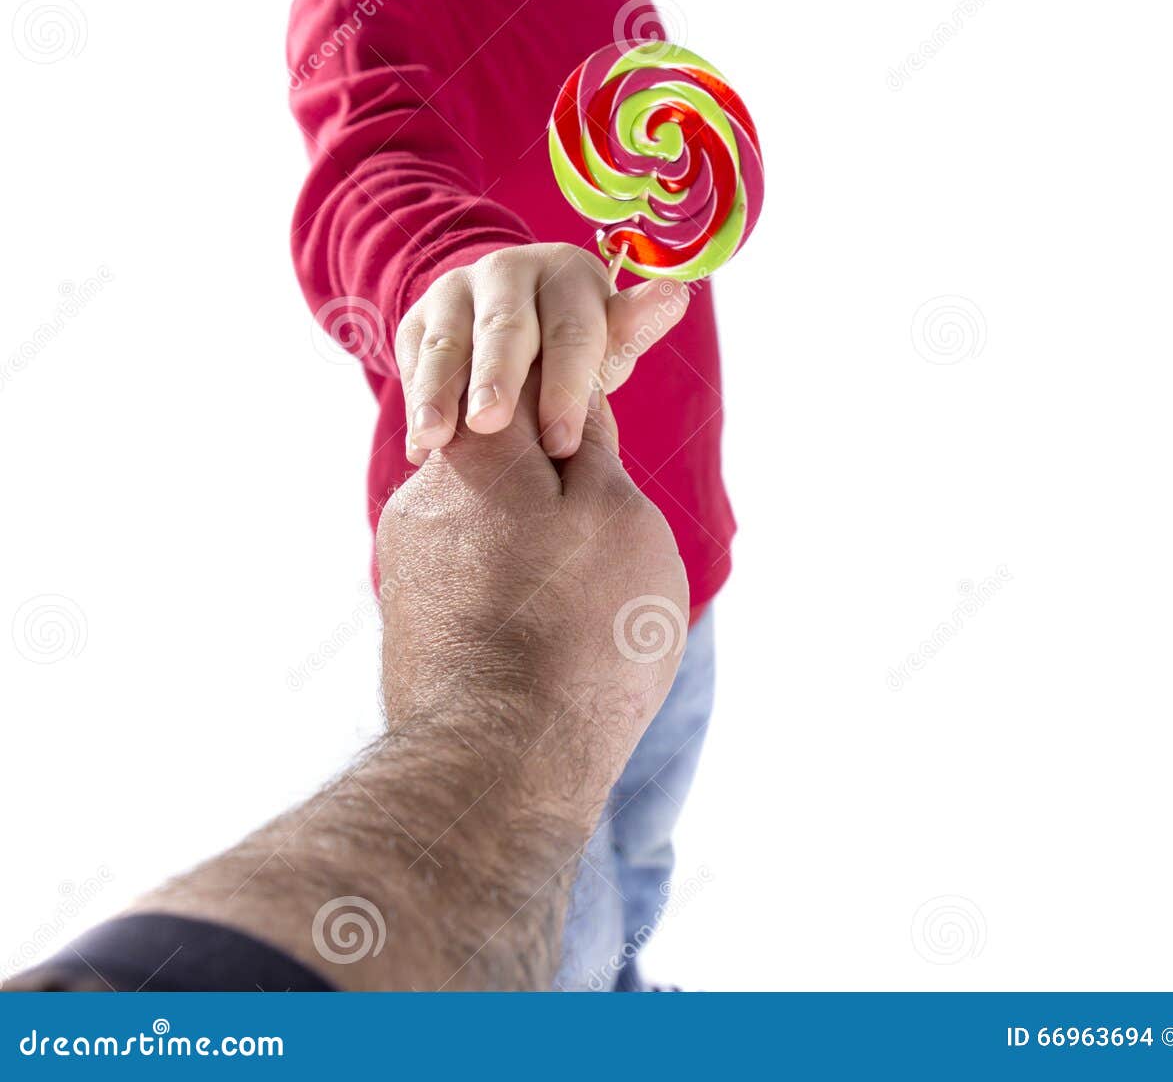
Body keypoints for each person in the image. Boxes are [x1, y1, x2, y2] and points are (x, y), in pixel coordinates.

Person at [287, 0, 730, 989]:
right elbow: (367, 175)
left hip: (677, 548)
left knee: (636, 858)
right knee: (536, 925)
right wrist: (457, 264)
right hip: (513, 591)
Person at [5, 386, 688, 991]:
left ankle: (622, 983)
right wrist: (513, 684)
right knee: (574, 917)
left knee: (641, 851)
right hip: (546, 591)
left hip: (678, 596)